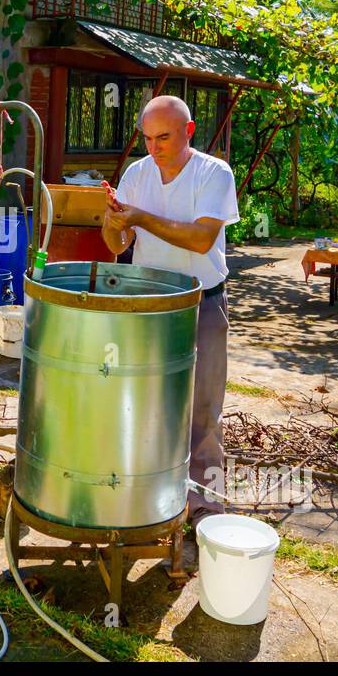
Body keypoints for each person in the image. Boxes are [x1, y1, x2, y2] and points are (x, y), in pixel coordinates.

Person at [100, 95, 240, 536]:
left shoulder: (213, 173)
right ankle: (148, 498)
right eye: (147, 138)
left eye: (163, 137)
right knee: (144, 405)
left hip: (203, 303)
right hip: (150, 306)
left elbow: (201, 239)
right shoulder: (137, 174)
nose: (154, 147)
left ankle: (205, 514)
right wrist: (114, 220)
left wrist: (141, 215)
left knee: (202, 411)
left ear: (189, 131)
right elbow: (116, 247)